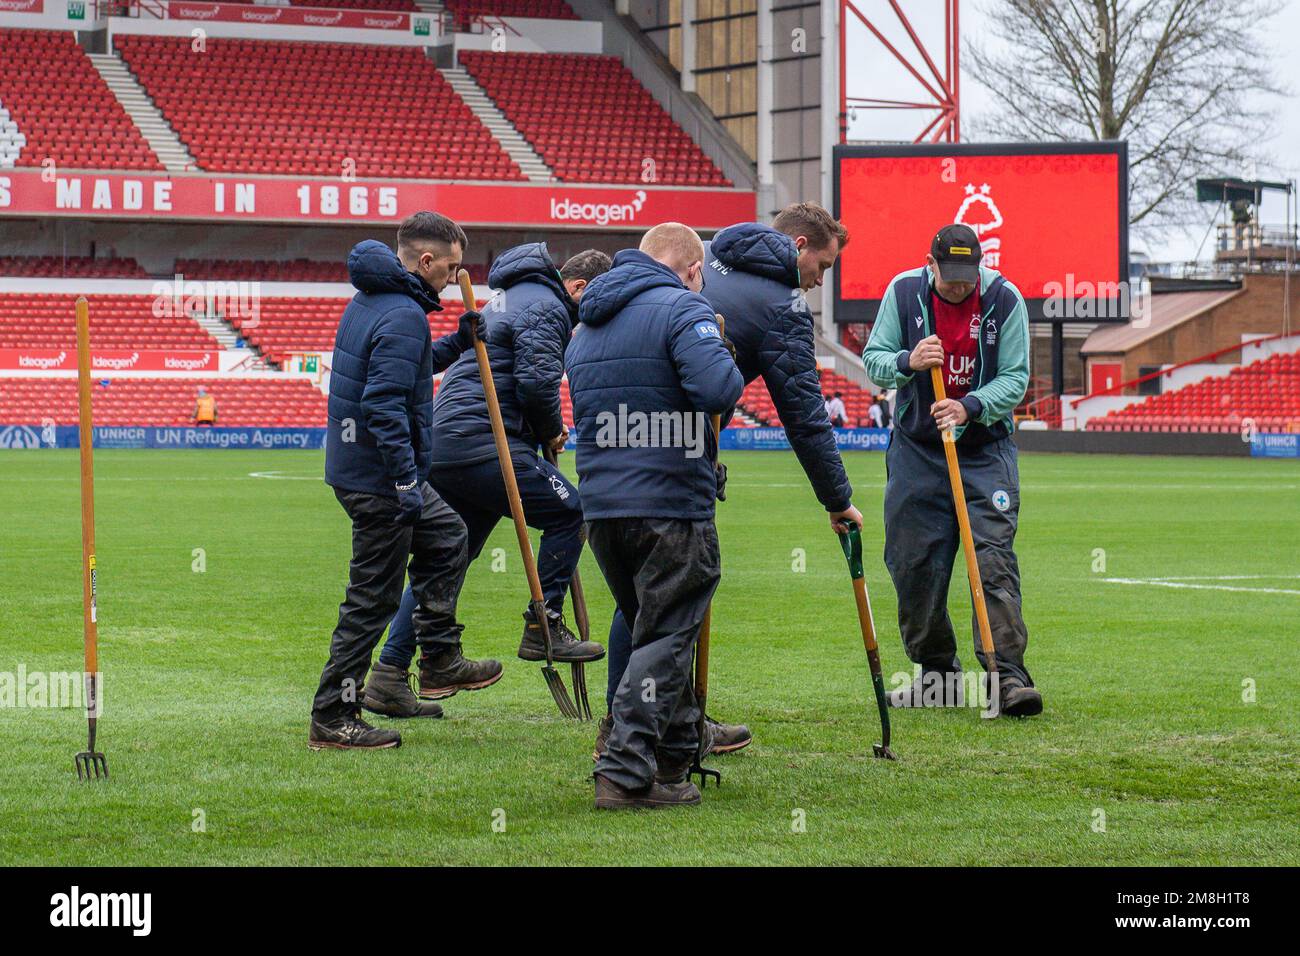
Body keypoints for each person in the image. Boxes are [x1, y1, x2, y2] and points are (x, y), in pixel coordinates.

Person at [595, 202, 864, 763]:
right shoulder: (782, 305)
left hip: (612, 454)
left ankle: (645, 722)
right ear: (797, 247)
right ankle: (648, 736)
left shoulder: (705, 253)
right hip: (674, 460)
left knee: (646, 598)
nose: (821, 280)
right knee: (671, 598)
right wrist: (837, 500)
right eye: (825, 265)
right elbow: (805, 416)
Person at [362, 246, 613, 718]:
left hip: (446, 443)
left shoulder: (508, 297)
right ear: (578, 289)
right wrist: (549, 429)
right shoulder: (548, 305)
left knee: (448, 557)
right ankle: (545, 626)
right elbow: (538, 384)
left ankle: (389, 675)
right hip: (486, 440)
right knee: (570, 511)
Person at [567, 222, 743, 809]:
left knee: (654, 628)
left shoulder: (589, 321)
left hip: (603, 506)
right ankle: (622, 771)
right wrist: (721, 351)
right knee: (667, 635)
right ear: (693, 270)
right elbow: (717, 390)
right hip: (668, 503)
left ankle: (673, 758)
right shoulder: (681, 309)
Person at [309, 211, 490, 750]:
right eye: (451, 268)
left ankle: (437, 655)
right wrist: (407, 481)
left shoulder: (372, 301)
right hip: (380, 479)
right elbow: (383, 402)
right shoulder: (404, 312)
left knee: (449, 536)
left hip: (364, 471)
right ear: (426, 260)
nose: (456, 279)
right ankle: (333, 716)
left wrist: (457, 344)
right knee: (371, 600)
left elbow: (404, 370)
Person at [862, 222, 1041, 717]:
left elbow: (1016, 379)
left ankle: (1007, 678)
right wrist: (908, 358)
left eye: (968, 275)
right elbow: (872, 361)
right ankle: (937, 675)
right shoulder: (902, 294)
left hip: (985, 450)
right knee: (913, 564)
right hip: (918, 451)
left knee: (992, 562)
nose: (959, 285)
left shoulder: (1004, 300)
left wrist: (970, 406)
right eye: (950, 276)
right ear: (930, 263)